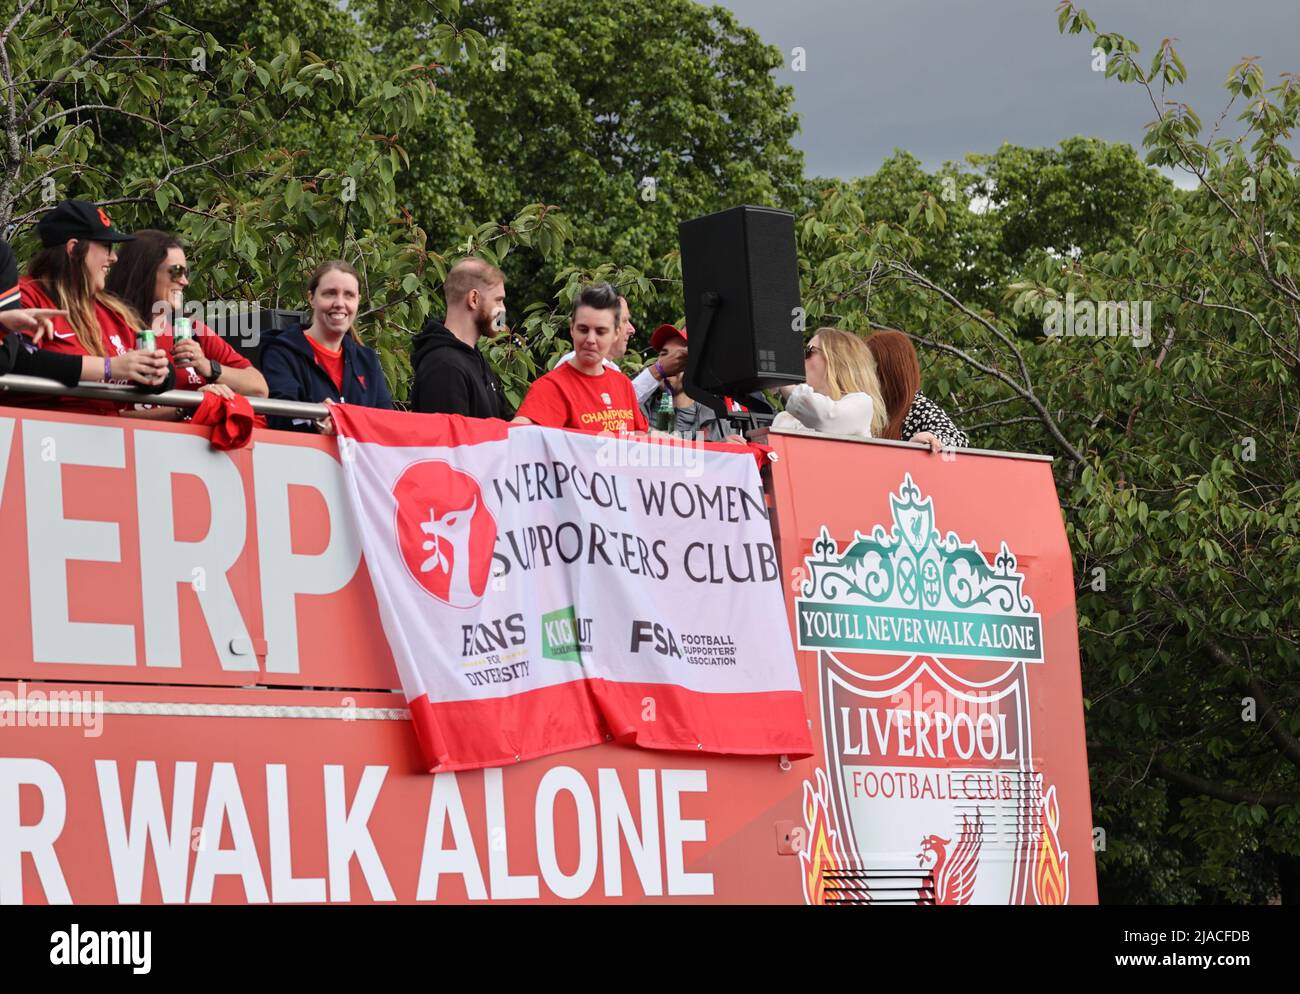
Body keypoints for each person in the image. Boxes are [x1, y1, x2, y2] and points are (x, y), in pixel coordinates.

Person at [16, 201, 173, 415]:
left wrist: (156, 373)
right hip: (39, 436)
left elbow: (166, 374)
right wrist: (108, 368)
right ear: (74, 249)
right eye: (106, 246)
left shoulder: (111, 310)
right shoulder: (25, 295)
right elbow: (19, 359)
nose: (113, 257)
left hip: (110, 439)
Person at [106, 229, 267, 418]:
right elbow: (102, 420)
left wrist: (208, 367)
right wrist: (187, 407)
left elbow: (259, 388)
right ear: (145, 271)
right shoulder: (103, 326)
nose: (185, 281)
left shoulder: (191, 330)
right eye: (176, 271)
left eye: (185, 272)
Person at [260, 259, 394, 433]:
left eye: (349, 295)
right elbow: (279, 420)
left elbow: (386, 423)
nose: (339, 303)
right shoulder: (281, 353)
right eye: (330, 293)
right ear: (311, 298)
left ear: (358, 301)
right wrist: (316, 422)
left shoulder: (367, 361)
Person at [513, 282, 648, 434]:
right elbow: (515, 435)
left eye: (600, 331)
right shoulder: (551, 387)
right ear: (572, 329)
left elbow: (640, 434)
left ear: (615, 333)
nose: (590, 339)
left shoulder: (623, 384)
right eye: (583, 329)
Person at [409, 258, 512, 419]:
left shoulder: (475, 359)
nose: (503, 310)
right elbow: (451, 441)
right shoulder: (444, 366)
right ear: (474, 299)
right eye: (498, 300)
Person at [773, 328, 888, 439]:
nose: (802, 358)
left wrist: (781, 381)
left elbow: (826, 417)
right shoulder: (785, 419)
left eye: (809, 351)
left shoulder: (861, 404)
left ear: (835, 359)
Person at [867, 329, 969, 451]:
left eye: (869, 368)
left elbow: (957, 440)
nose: (864, 377)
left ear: (888, 372)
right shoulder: (871, 409)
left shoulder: (919, 408)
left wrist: (927, 441)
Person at [638, 324, 725, 439]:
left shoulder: (715, 420)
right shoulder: (638, 409)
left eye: (679, 357)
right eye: (664, 355)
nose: (668, 363)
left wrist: (720, 449)